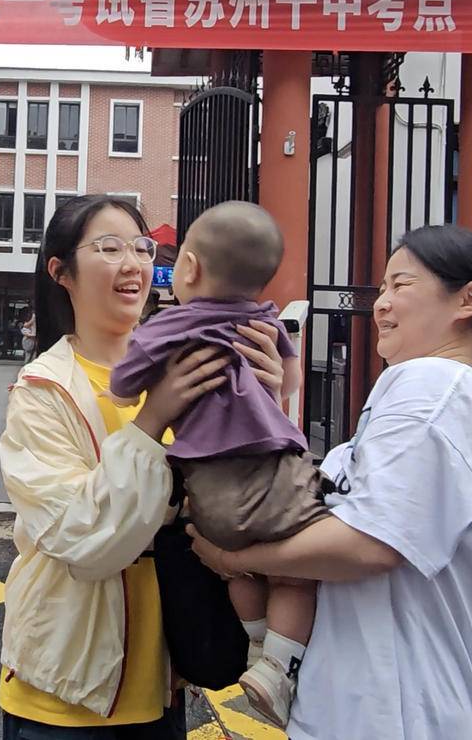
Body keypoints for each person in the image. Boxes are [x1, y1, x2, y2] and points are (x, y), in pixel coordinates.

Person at [189, 225, 472, 740]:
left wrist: (232, 559)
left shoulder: (434, 389)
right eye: (382, 288)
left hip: (391, 717)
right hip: (365, 710)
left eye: (402, 285)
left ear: (468, 300)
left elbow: (369, 545)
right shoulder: (425, 394)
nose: (382, 304)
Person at [0, 194, 283, 739]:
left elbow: (247, 496)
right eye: (109, 248)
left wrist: (266, 403)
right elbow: (80, 536)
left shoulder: (191, 364)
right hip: (65, 693)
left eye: (142, 248)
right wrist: (152, 419)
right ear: (61, 272)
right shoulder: (43, 391)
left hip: (164, 680)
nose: (133, 264)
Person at [109, 201, 325, 729]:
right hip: (279, 471)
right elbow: (291, 379)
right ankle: (277, 663)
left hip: (212, 485)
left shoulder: (168, 327)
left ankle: (254, 643)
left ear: (188, 266)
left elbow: (123, 387)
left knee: (238, 564)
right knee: (295, 575)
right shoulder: (265, 319)